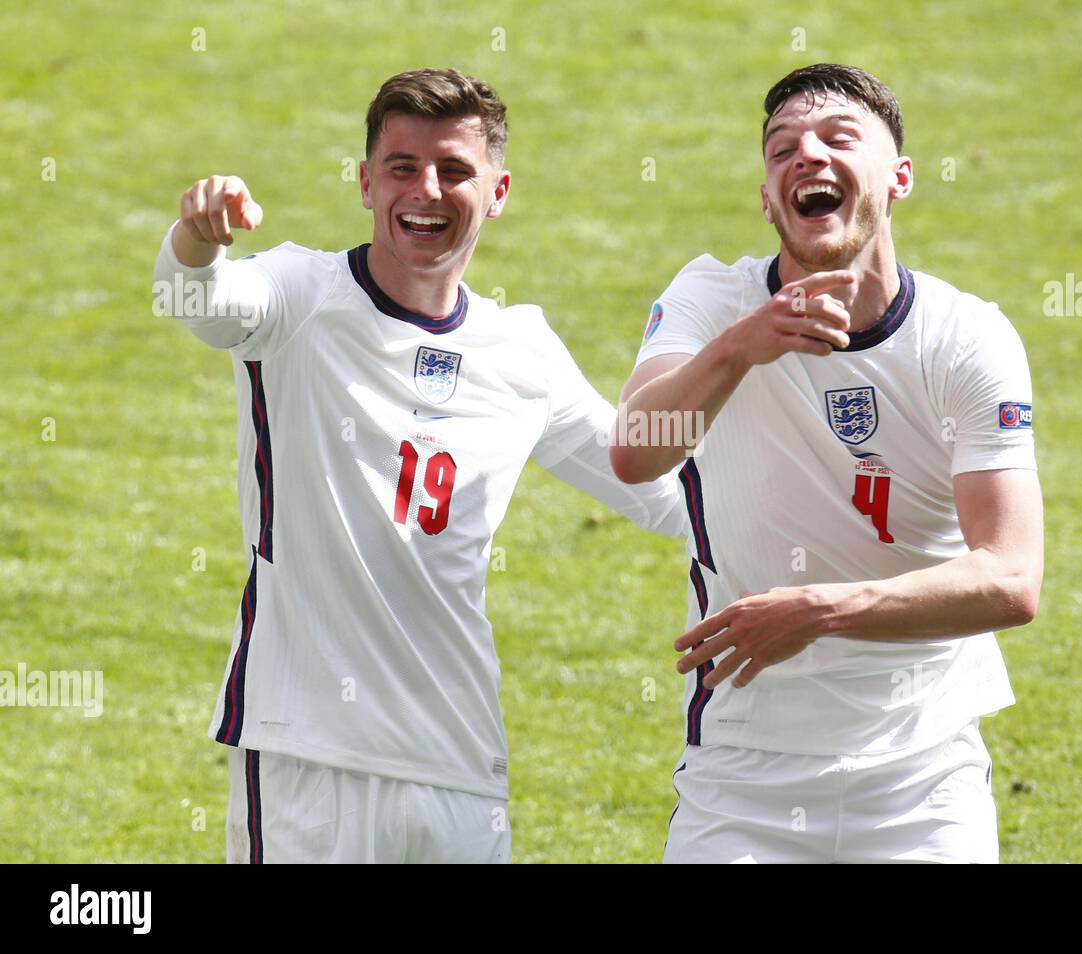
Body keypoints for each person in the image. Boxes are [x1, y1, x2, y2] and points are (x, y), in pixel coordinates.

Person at [152, 68, 684, 864]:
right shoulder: (302, 296)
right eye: (402, 167)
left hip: (460, 764)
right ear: (366, 182)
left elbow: (658, 486)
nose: (425, 190)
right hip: (308, 757)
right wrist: (197, 236)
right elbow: (192, 300)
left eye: (454, 171)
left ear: (498, 191)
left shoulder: (522, 351)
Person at [611, 63, 1043, 863]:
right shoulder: (713, 301)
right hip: (743, 777)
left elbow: (1012, 580)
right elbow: (636, 453)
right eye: (781, 150)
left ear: (899, 177)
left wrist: (823, 609)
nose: (806, 156)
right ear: (768, 198)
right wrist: (743, 346)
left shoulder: (967, 339)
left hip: (924, 778)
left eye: (838, 138)